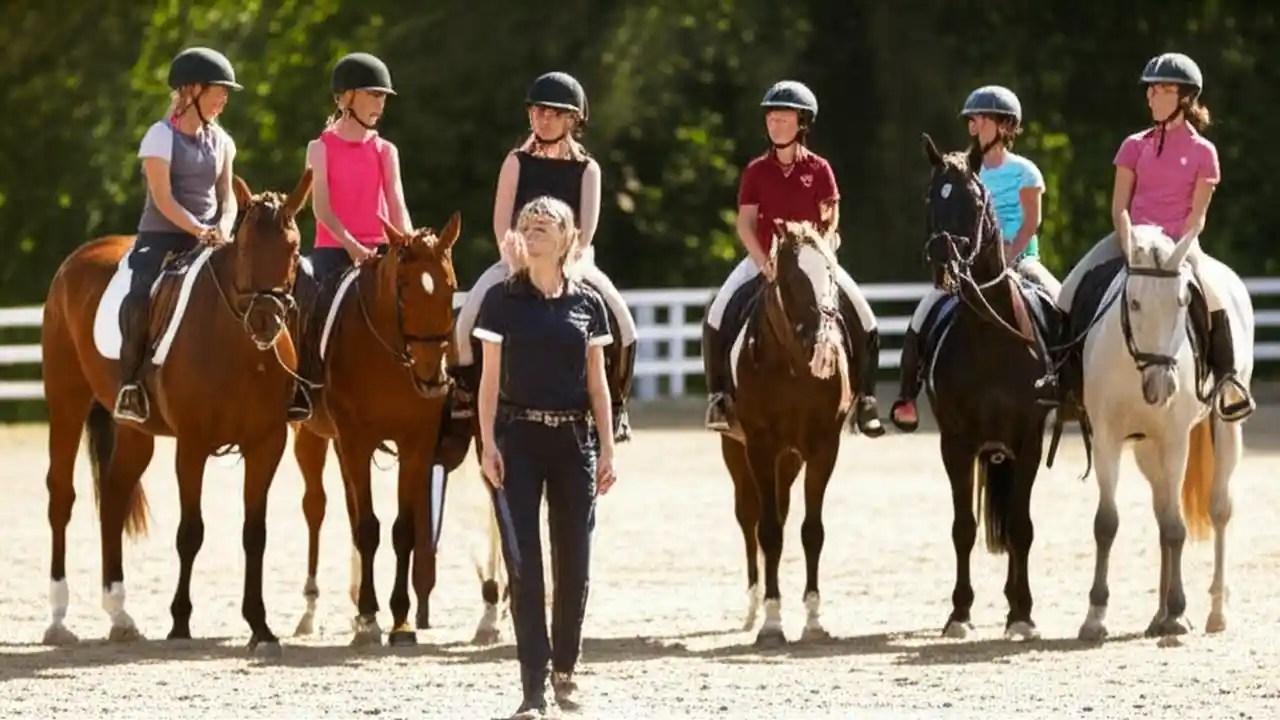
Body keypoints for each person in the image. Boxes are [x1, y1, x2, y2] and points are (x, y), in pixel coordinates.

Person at [473, 196, 617, 719]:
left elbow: (599, 384)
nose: (533, 229)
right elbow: (488, 381)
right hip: (517, 442)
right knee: (524, 565)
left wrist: (605, 446)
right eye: (527, 223)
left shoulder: (588, 304)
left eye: (545, 224)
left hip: (574, 444)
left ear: (567, 239)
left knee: (573, 563)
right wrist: (487, 442)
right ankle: (532, 687)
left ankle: (566, 672)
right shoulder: (500, 302)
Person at [1055, 52, 1254, 421]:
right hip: (1132, 238)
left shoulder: (1203, 153)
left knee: (1214, 295)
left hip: (1180, 244)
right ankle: (1061, 380)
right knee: (1069, 288)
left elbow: (1198, 218)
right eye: (1150, 90)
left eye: (1161, 89)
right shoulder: (1133, 145)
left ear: (1184, 98)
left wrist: (1177, 250)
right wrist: (1130, 242)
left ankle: (1227, 382)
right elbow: (1119, 208)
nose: (1151, 97)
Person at [450, 71, 638, 440]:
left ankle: (616, 405)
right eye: (538, 111)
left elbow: (584, 232)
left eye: (554, 113)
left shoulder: (588, 170)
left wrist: (558, 264)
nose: (544, 118)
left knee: (625, 323)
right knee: (466, 316)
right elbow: (503, 222)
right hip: (516, 257)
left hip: (573, 263)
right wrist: (519, 257)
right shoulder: (516, 162)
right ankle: (463, 392)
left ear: (572, 119)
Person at [702, 80, 885, 437]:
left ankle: (866, 399)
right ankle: (719, 397)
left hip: (812, 264)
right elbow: (745, 223)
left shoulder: (819, 169)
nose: (774, 124)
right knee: (717, 312)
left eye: (783, 118)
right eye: (771, 117)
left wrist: (824, 262)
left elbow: (830, 221)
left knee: (866, 318)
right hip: (765, 258)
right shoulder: (756, 170)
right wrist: (762, 261)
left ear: (803, 123)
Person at [889, 85, 1056, 432]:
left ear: (1006, 126)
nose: (974, 126)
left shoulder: (1025, 171)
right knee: (923, 315)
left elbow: (1031, 221)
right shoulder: (965, 171)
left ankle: (1067, 385)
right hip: (968, 267)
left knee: (1060, 303)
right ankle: (907, 394)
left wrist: (1010, 255)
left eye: (982, 119)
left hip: (1021, 260)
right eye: (972, 120)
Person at [114, 47, 243, 423]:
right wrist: (200, 229)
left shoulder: (222, 141)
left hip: (211, 238)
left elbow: (229, 197)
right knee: (139, 296)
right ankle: (131, 383)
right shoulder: (159, 136)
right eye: (218, 90)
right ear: (191, 91)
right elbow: (163, 199)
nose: (224, 98)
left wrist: (224, 226)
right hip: (163, 237)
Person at [288, 52, 413, 421]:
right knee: (304, 289)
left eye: (383, 97)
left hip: (380, 249)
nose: (380, 103)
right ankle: (302, 382)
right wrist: (354, 247)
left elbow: (397, 205)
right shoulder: (319, 148)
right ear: (345, 98)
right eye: (373, 94)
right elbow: (322, 211)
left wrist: (406, 244)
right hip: (334, 250)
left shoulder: (386, 150)